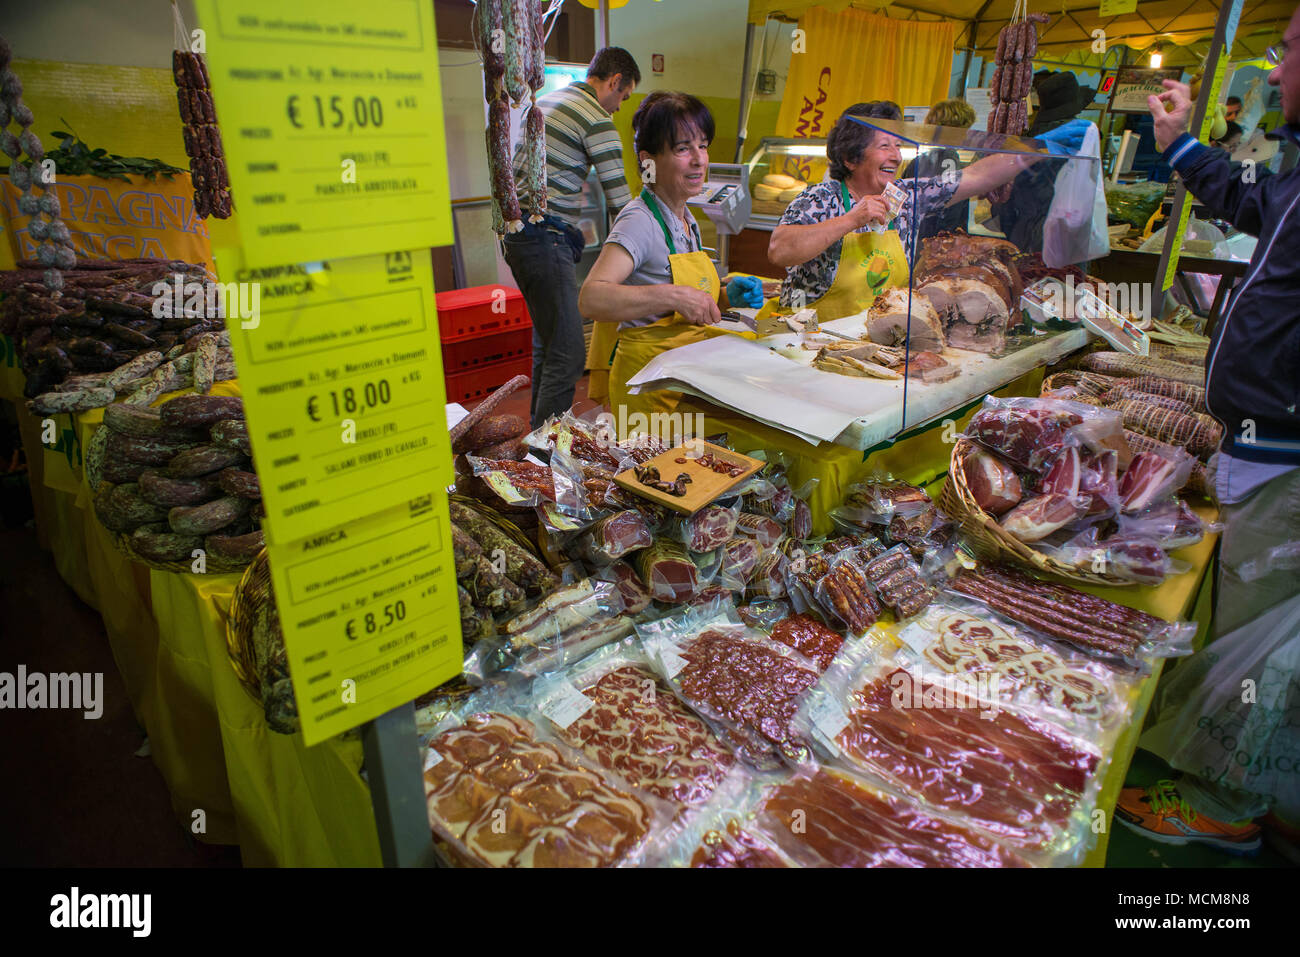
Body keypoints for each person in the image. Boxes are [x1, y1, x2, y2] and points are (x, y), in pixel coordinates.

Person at [1116, 5, 1300, 856]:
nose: (1277, 66)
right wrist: (1180, 142)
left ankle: (1221, 800)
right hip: (1259, 440)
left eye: (1288, 50)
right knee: (1240, 618)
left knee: (1257, 644)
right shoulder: (1298, 171)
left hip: (1288, 456)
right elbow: (1250, 201)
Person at [764, 101, 1088, 320]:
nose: (896, 155)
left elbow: (976, 177)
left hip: (870, 338)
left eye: (898, 145)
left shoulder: (906, 195)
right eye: (884, 146)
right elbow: (781, 251)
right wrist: (852, 219)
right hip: (805, 340)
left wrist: (1034, 148)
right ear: (850, 158)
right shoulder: (821, 198)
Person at [503, 47, 640, 428]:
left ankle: (535, 444)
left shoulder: (550, 100)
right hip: (544, 238)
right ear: (614, 82)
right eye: (623, 98)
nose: (618, 108)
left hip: (519, 237)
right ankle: (550, 456)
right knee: (568, 352)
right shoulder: (596, 117)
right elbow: (621, 203)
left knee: (548, 344)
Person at [579, 91, 734, 424]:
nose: (699, 160)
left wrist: (724, 294)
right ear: (649, 161)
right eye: (682, 149)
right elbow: (592, 297)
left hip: (681, 380)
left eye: (703, 146)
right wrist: (676, 295)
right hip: (648, 393)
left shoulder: (683, 216)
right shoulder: (640, 220)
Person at [991, 71, 1093, 252]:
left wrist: (1012, 231)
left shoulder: (1030, 140)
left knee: (1031, 274)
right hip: (1055, 232)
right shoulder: (1076, 139)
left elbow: (1006, 199)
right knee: (1061, 278)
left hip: (1027, 229)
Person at [899, 98, 977, 239]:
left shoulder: (919, 159)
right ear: (954, 129)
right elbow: (950, 205)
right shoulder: (949, 158)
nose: (967, 135)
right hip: (936, 239)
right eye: (965, 129)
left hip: (914, 234)